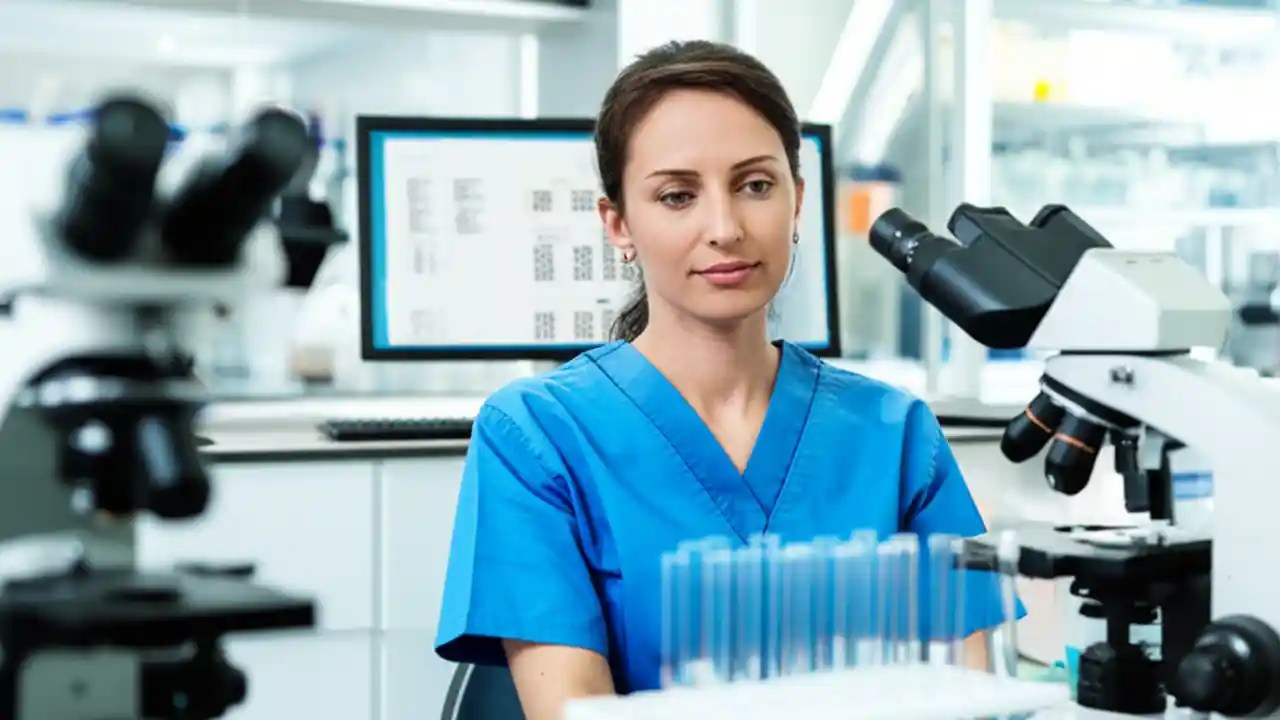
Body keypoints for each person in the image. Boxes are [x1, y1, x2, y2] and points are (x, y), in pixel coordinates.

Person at [435, 39, 1017, 720]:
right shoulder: (536, 436)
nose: (726, 228)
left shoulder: (894, 433)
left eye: (755, 185)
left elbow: (973, 694)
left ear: (798, 200)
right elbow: (570, 709)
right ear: (618, 223)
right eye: (678, 196)